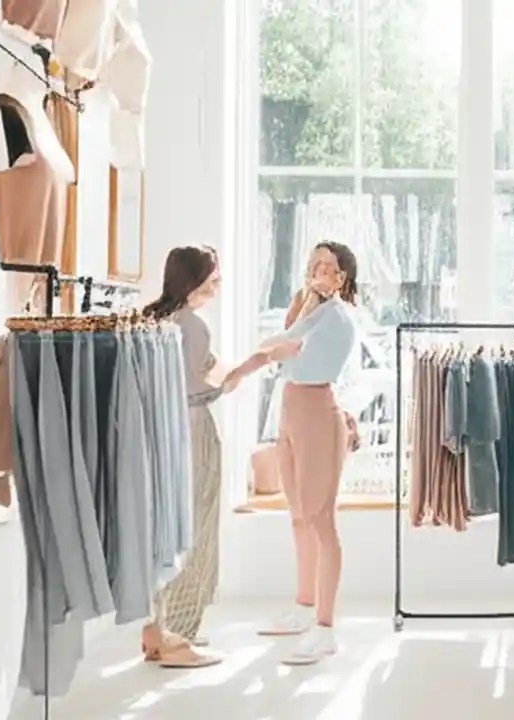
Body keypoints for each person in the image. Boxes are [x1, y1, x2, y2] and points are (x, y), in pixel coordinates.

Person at [139, 246, 269, 667]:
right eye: (214, 276)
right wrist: (257, 363)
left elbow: (208, 370)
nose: (218, 283)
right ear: (195, 279)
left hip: (162, 433)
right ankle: (178, 636)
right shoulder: (192, 326)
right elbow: (209, 385)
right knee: (193, 530)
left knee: (166, 529)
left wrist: (240, 368)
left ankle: (157, 631)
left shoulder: (156, 319)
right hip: (191, 431)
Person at [256, 241, 362, 666]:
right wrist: (301, 310)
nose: (316, 271)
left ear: (342, 279)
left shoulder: (337, 316)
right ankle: (303, 606)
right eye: (312, 262)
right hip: (291, 411)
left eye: (327, 266)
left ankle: (325, 626)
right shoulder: (309, 308)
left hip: (318, 414)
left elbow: (281, 349)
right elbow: (279, 353)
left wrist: (299, 316)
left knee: (321, 519)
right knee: (298, 515)